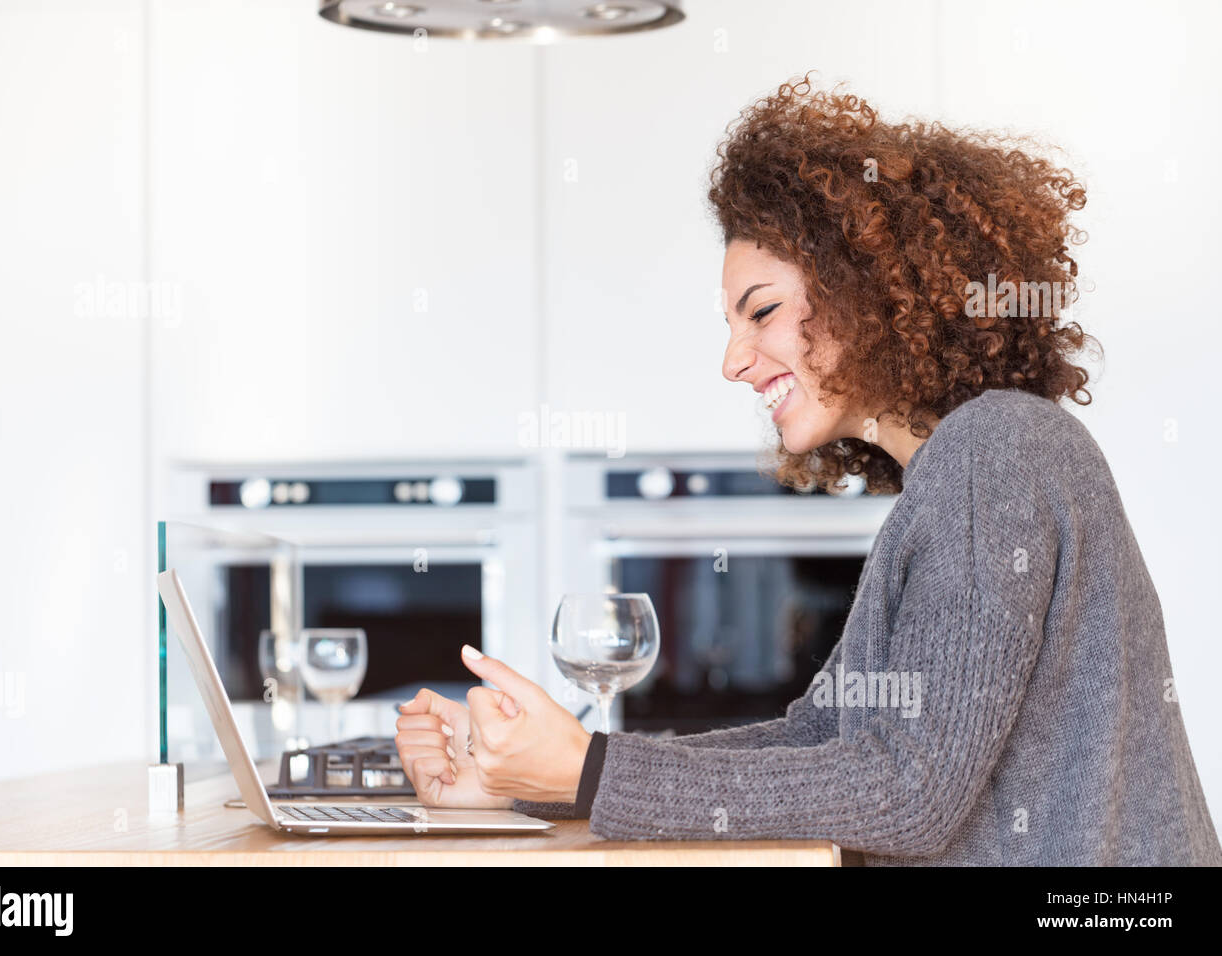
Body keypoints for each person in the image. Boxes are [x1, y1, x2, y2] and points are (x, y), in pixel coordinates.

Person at [393, 75, 1222, 865]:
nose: (733, 360)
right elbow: (819, 739)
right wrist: (536, 784)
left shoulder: (994, 448)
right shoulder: (963, 469)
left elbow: (909, 792)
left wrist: (585, 770)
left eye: (761, 311)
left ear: (869, 289)